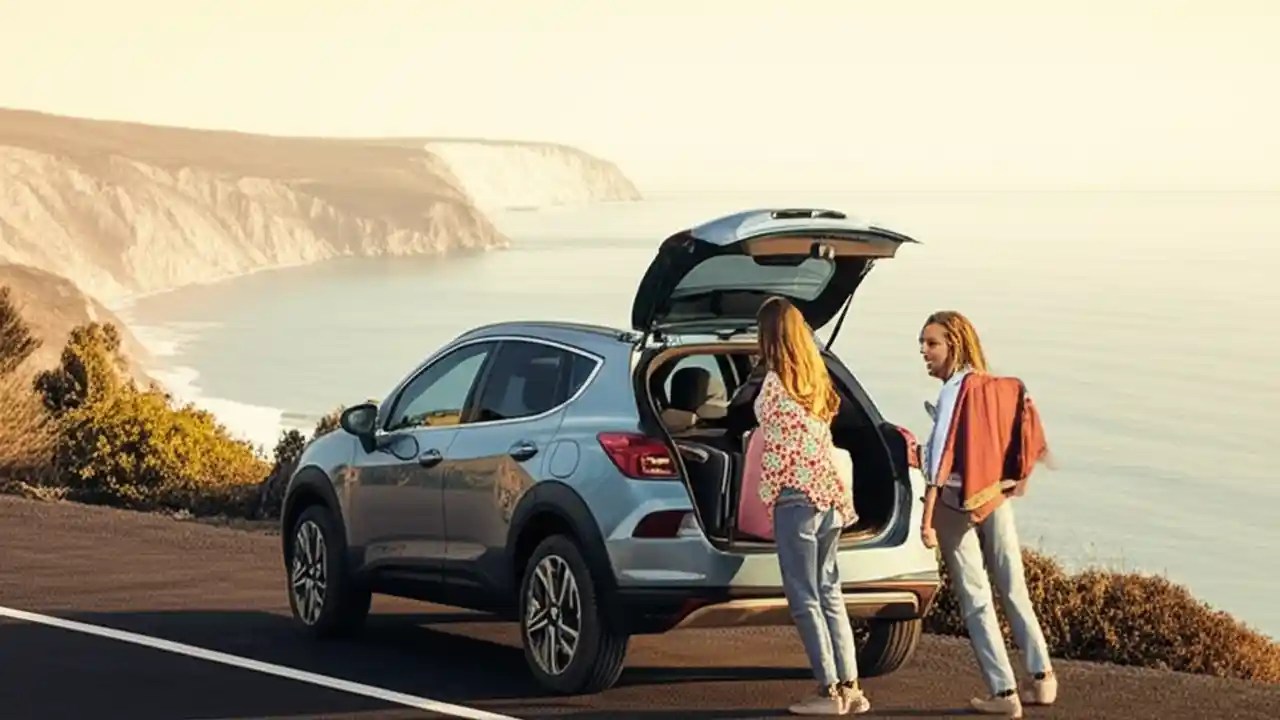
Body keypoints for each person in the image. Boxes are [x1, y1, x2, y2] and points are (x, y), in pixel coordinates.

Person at [918, 310, 1057, 718]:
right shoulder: (995, 386)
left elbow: (939, 462)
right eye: (922, 344)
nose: (924, 353)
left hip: (957, 503)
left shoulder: (954, 392)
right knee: (1013, 586)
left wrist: (927, 522)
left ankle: (1002, 694)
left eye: (932, 344)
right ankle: (1042, 677)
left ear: (954, 344)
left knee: (976, 598)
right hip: (994, 497)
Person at [753, 296, 869, 716]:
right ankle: (851, 687)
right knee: (829, 590)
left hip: (795, 497)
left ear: (770, 336)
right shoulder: (814, 380)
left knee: (803, 595)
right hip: (830, 494)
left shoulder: (774, 384)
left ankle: (827, 691)